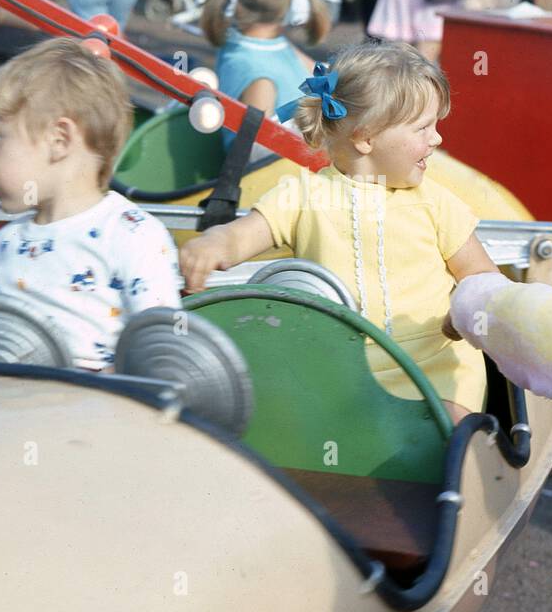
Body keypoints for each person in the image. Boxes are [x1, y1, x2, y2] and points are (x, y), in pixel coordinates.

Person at [179, 42, 499, 423]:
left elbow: (479, 274)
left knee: (452, 428)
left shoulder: (436, 202)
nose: (437, 139)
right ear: (366, 138)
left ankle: (455, 472)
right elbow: (244, 235)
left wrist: (467, 310)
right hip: (339, 373)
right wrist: (216, 242)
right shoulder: (303, 195)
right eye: (423, 128)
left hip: (434, 362)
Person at [0, 37, 182, 372]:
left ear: (59, 141)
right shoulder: (5, 243)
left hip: (94, 416)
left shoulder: (131, 235)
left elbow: (161, 353)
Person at [201, 0, 332, 144]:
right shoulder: (261, 76)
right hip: (285, 172)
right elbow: (257, 152)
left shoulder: (255, 49)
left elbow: (327, 81)